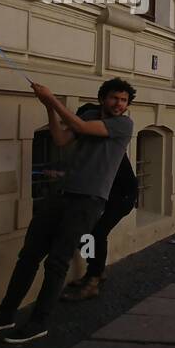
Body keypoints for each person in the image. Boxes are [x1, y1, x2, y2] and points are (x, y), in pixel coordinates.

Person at [0, 78, 136, 344]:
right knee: (28, 256)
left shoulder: (123, 125)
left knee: (57, 262)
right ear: (102, 98)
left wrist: (51, 100)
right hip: (60, 194)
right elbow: (61, 138)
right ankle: (5, 315)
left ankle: (39, 322)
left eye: (124, 100)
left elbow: (81, 127)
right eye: (114, 98)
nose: (119, 104)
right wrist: (48, 107)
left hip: (88, 201)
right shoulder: (90, 114)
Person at [62, 103, 139, 302]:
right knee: (88, 234)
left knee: (96, 233)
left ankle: (93, 279)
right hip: (107, 195)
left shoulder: (106, 141)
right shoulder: (95, 142)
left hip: (122, 196)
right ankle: (95, 269)